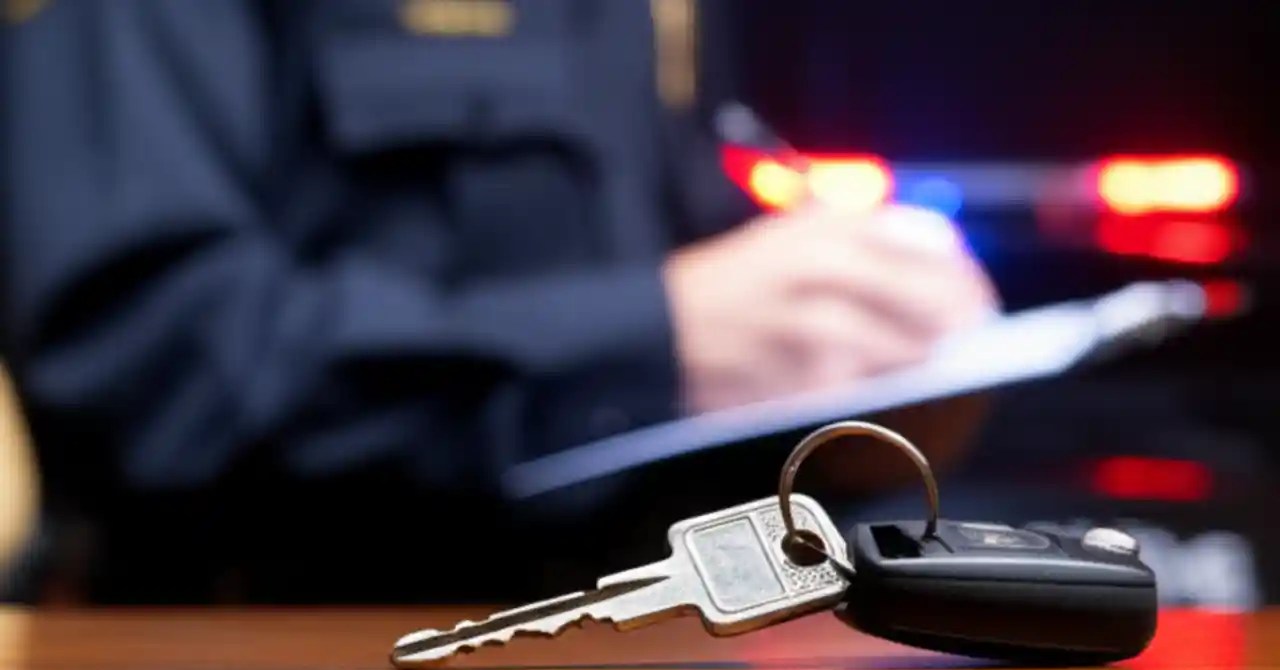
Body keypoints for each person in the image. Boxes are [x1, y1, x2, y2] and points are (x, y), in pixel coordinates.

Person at [0, 0, 995, 602]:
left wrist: (845, 381)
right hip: (266, 651)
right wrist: (660, 339)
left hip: (648, 642)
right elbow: (145, 364)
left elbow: (682, 326)